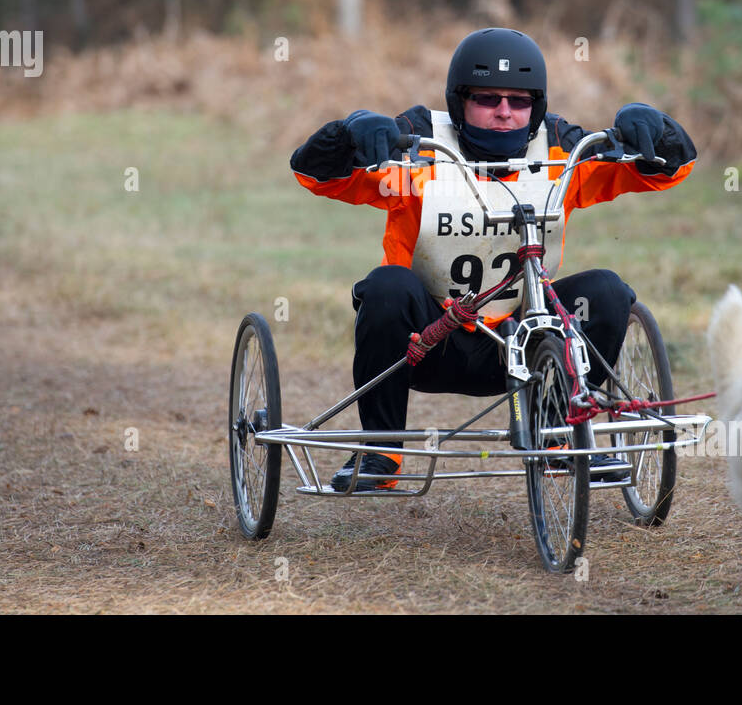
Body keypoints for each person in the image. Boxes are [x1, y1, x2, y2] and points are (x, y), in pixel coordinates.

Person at [290, 27, 697, 490]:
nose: (505, 113)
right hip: (424, 343)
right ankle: (381, 453)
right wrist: (346, 134)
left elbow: (671, 171)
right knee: (386, 286)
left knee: (606, 291)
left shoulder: (561, 150)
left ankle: (560, 436)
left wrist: (658, 130)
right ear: (460, 101)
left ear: (535, 106)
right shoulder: (417, 148)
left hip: (526, 342)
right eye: (487, 99)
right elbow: (314, 174)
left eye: (519, 101)